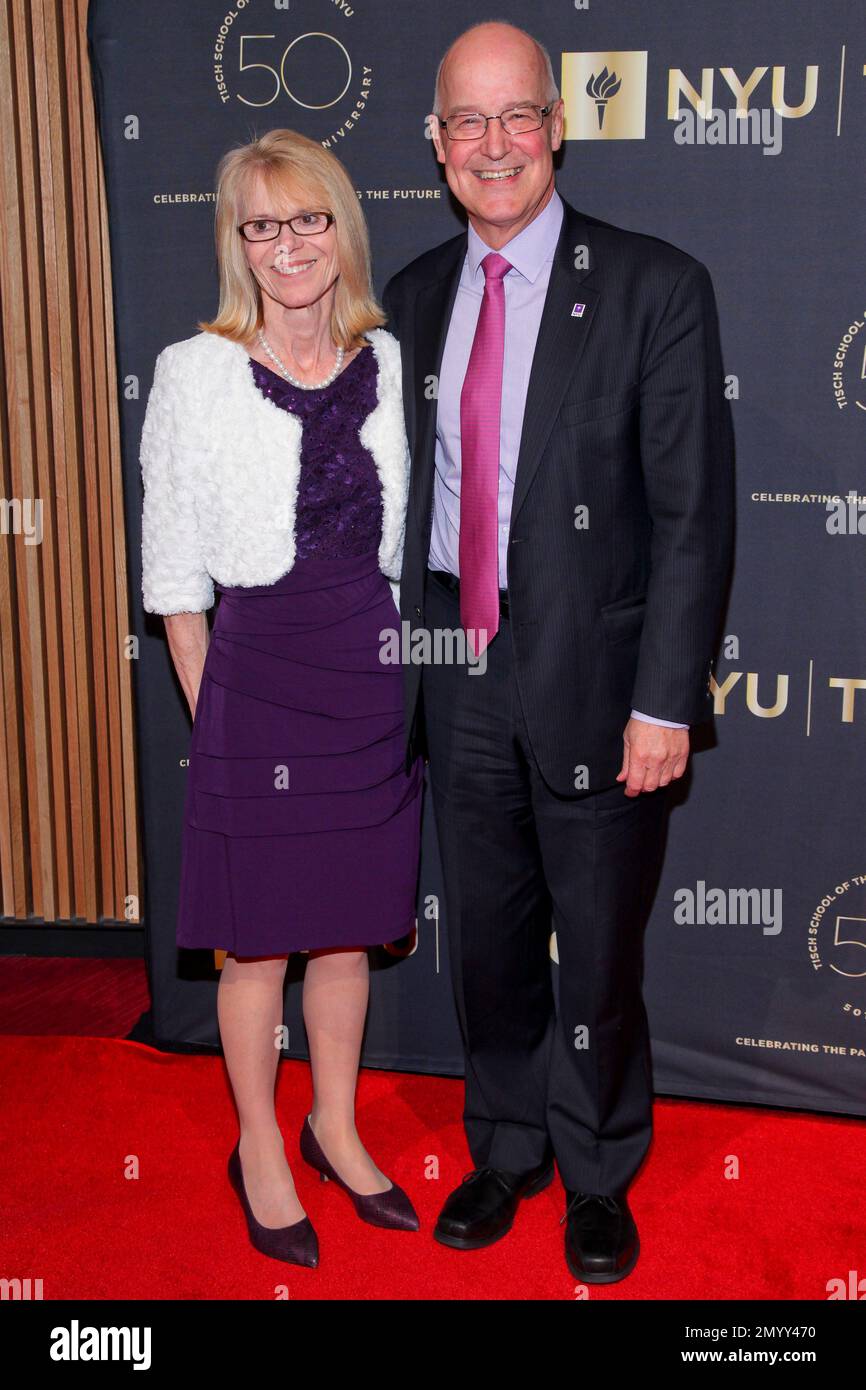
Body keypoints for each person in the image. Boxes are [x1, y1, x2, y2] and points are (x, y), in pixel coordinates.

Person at [382, 21, 734, 1282]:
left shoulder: (652, 284)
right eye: (465, 123)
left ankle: (596, 1167)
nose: (492, 145)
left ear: (555, 127)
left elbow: (693, 517)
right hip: (458, 657)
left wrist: (663, 702)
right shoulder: (415, 298)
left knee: (594, 941)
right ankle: (506, 1142)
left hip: (598, 674)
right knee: (485, 933)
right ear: (434, 145)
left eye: (514, 116)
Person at [139, 128, 423, 1268]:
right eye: (262, 224)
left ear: (339, 227)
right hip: (252, 677)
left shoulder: (389, 359)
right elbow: (171, 577)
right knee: (255, 945)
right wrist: (219, 722)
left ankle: (335, 1126)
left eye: (307, 218)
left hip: (363, 666)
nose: (287, 243)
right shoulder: (191, 370)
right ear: (236, 243)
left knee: (349, 930)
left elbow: (405, 537)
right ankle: (259, 1139)